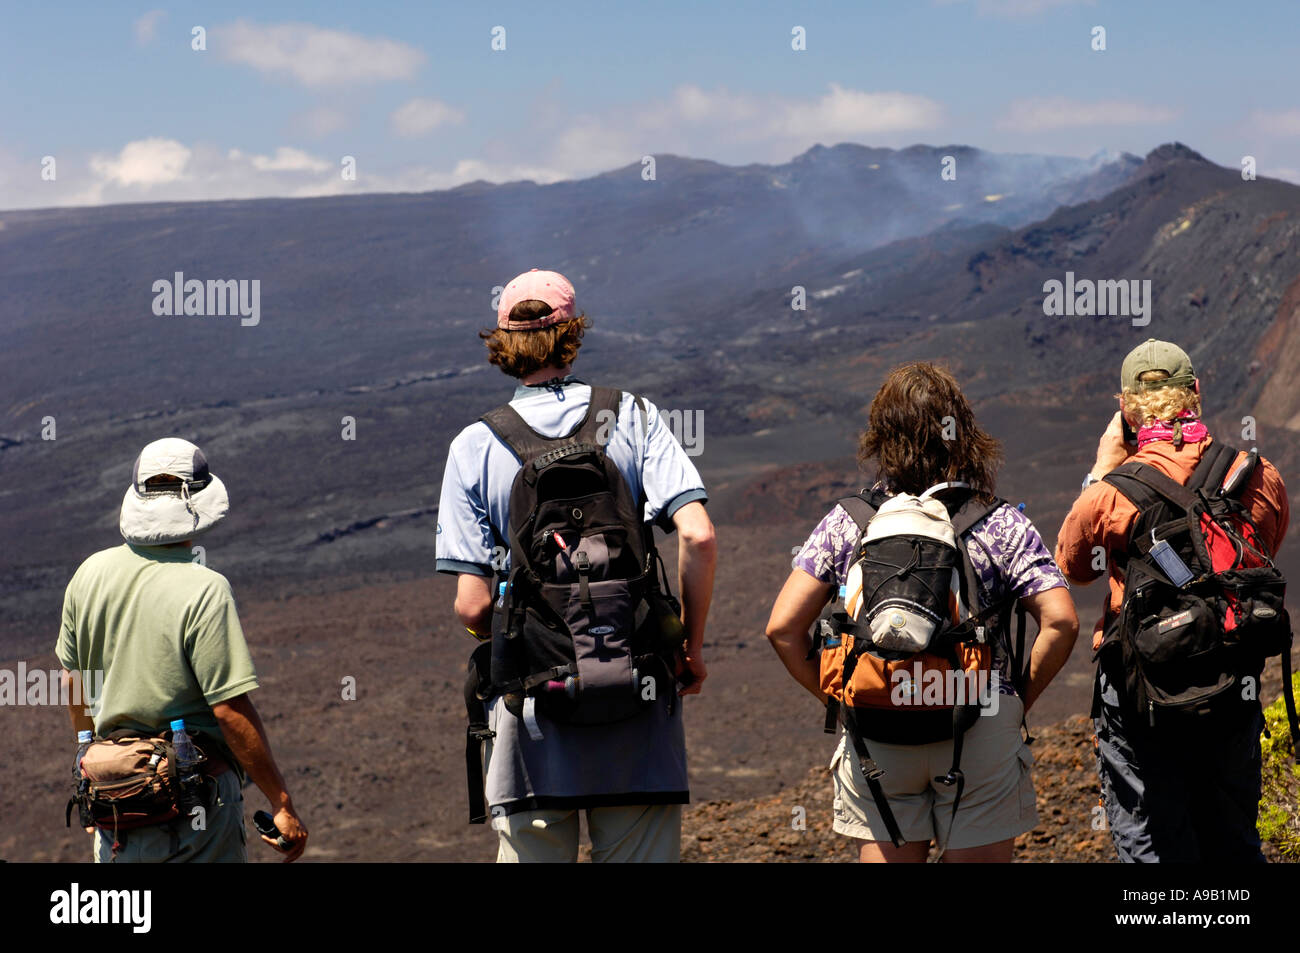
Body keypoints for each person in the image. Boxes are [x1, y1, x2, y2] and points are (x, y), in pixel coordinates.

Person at [437, 268, 716, 863]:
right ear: (573, 337)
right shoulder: (634, 416)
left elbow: (472, 606)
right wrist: (688, 649)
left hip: (533, 709)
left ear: (503, 346)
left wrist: (526, 636)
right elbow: (698, 533)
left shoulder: (475, 445)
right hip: (637, 690)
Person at [766, 361, 1078, 862]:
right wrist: (1015, 701)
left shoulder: (849, 523)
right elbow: (1061, 620)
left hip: (878, 730)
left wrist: (843, 697)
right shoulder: (1000, 524)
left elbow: (783, 628)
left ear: (881, 437)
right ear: (963, 434)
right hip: (978, 723)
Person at [1056, 339, 1289, 862]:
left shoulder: (1111, 493)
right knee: (1232, 837)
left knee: (1150, 838)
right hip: (1232, 684)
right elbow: (1262, 552)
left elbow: (1072, 566)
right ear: (1197, 395)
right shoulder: (1256, 475)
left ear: (1125, 411)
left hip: (1141, 692)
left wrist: (1100, 467)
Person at [57, 437, 307, 862]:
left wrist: (89, 756)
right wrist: (281, 803)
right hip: (194, 803)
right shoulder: (205, 589)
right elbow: (229, 709)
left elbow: (72, 679)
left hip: (116, 800)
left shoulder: (89, 574)